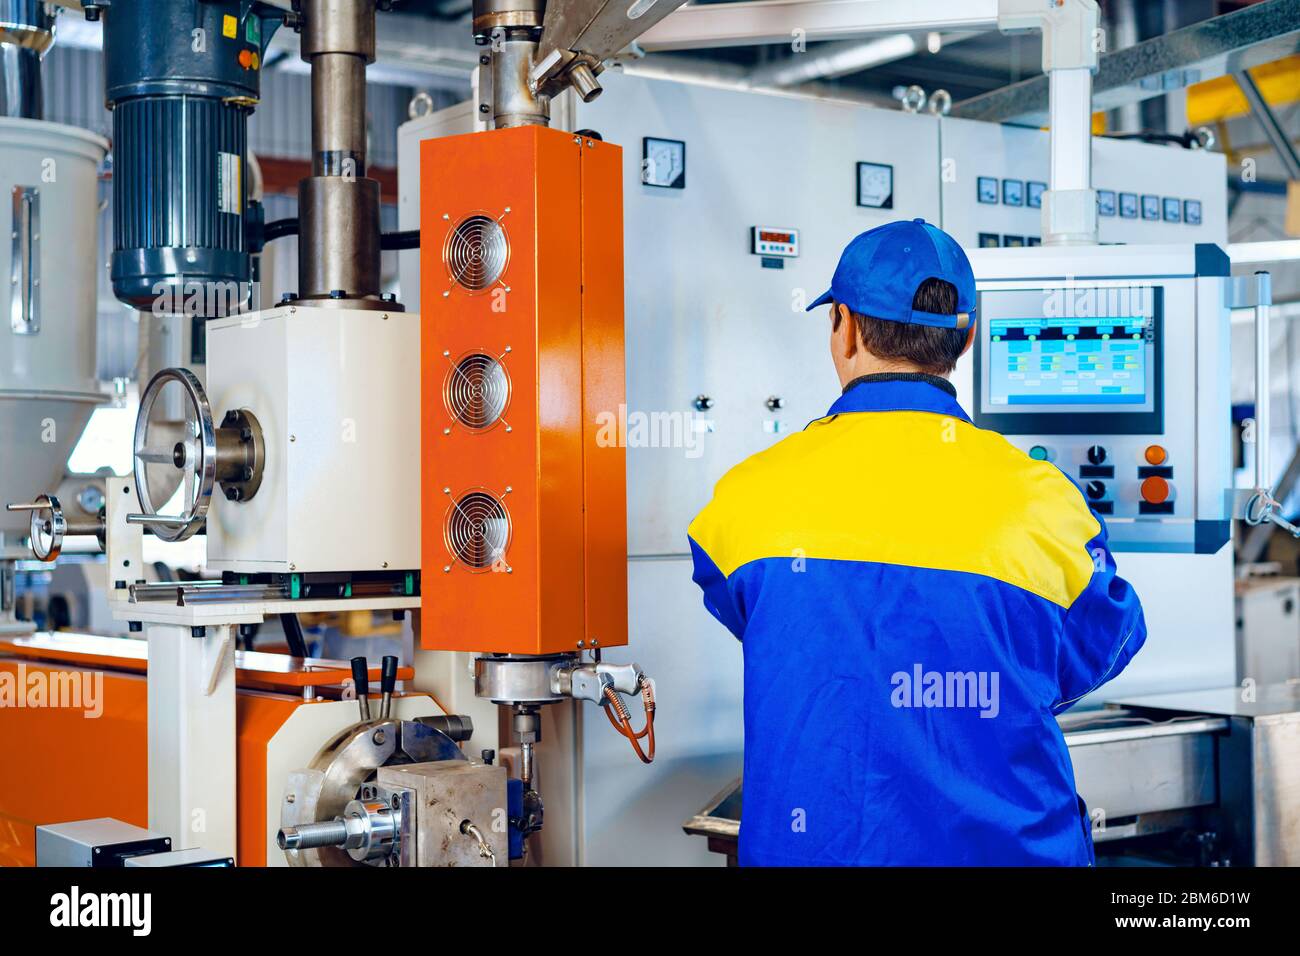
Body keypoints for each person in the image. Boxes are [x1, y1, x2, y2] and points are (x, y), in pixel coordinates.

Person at [686, 219, 1146, 866]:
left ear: (843, 327)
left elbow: (755, 616)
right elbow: (1106, 641)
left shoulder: (745, 497)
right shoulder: (1042, 500)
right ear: (968, 335)